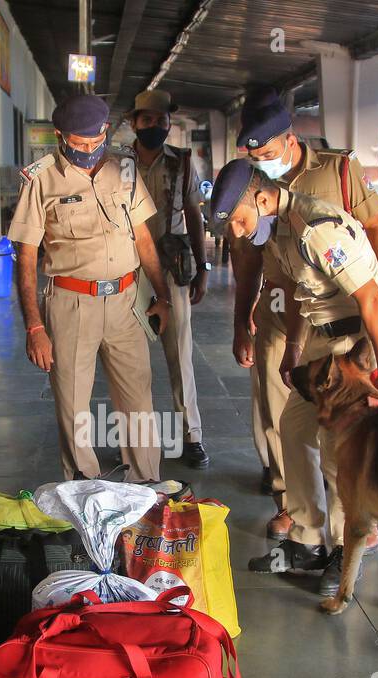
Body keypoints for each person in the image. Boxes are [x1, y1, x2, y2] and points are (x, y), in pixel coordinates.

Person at [210, 162, 378, 597]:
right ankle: (308, 542)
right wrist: (293, 352)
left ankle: (344, 552)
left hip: (352, 350)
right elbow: (298, 295)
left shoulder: (318, 229)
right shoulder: (279, 231)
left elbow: (371, 298)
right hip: (320, 349)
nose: (238, 233)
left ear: (262, 198)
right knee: (293, 430)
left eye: (239, 220)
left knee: (338, 458)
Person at [230, 86, 378, 546]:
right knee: (287, 423)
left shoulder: (336, 175)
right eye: (254, 155)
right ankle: (305, 529)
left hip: (349, 323)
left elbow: (376, 234)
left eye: (267, 151)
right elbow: (271, 273)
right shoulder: (257, 191)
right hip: (300, 314)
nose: (262, 160)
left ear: (289, 138)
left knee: (335, 444)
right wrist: (256, 327)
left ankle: (349, 538)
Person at [8, 93, 173, 482]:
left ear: (106, 131)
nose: (88, 150)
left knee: (138, 400)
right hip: (70, 304)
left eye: (95, 141)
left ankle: (146, 486)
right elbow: (26, 256)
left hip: (126, 300)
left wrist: (162, 296)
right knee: (74, 405)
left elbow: (143, 239)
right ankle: (84, 492)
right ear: (60, 136)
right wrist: (34, 327)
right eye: (78, 144)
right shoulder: (40, 179)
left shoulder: (124, 169)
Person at [128, 88, 211, 470]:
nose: (156, 126)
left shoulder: (181, 162)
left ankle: (192, 435)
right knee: (130, 358)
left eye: (161, 121)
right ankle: (138, 439)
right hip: (128, 271)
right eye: (148, 120)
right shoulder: (119, 164)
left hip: (173, 267)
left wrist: (202, 267)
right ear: (134, 123)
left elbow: (194, 214)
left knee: (180, 354)